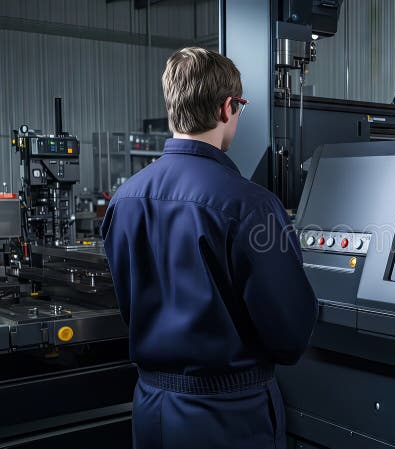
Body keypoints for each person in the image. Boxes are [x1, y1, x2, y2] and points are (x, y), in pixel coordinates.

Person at [101, 47, 318, 449]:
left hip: (151, 410)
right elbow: (290, 336)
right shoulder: (250, 205)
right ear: (226, 108)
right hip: (229, 417)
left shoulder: (125, 199)